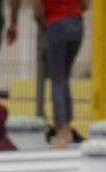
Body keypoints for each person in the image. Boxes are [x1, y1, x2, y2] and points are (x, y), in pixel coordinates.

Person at [36, 0, 86, 146]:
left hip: (56, 24)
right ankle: (68, 127)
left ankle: (62, 131)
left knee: (57, 80)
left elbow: (37, 11)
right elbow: (85, 5)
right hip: (76, 25)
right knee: (64, 78)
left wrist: (48, 22)